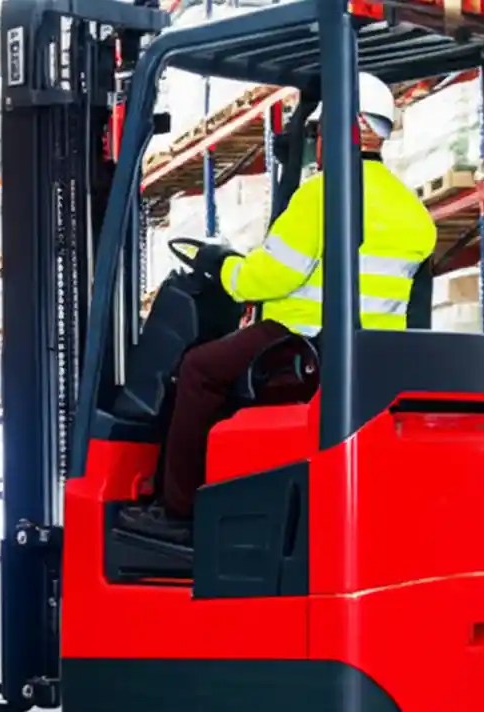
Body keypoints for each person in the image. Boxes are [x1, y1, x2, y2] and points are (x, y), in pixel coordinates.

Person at [119, 73, 438, 543]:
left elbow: (268, 277)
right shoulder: (413, 212)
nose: (318, 142)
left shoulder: (322, 194)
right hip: (370, 359)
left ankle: (179, 512)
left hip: (301, 345)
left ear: (345, 127)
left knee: (198, 369)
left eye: (320, 131)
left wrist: (223, 267)